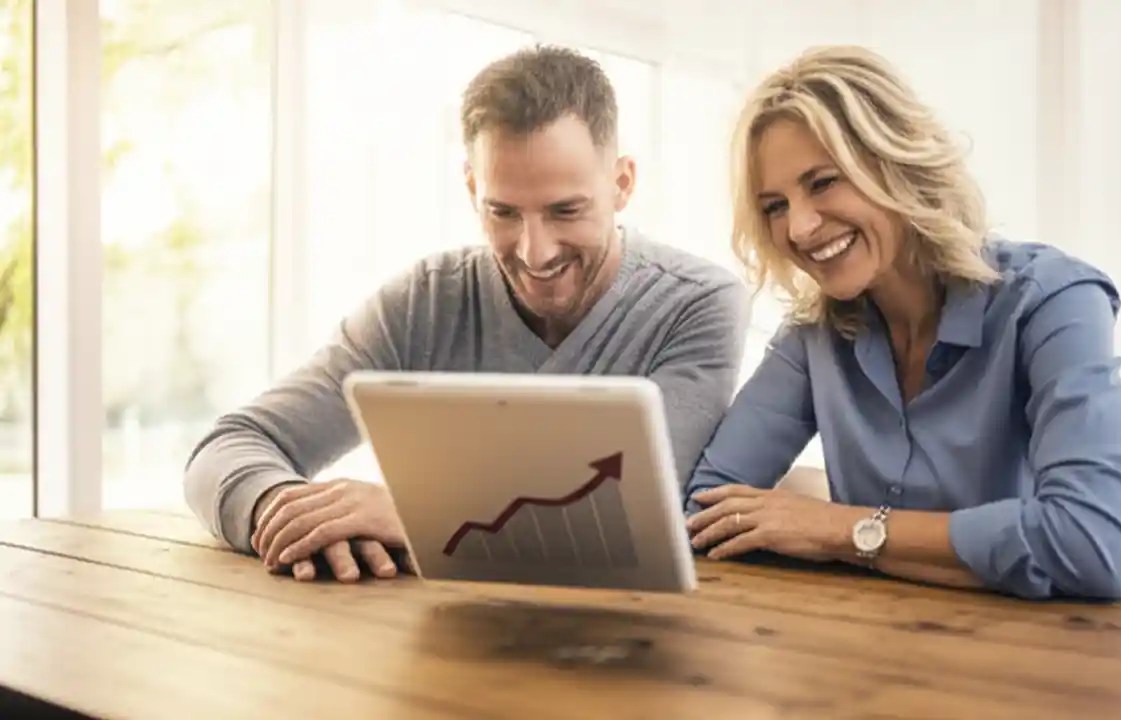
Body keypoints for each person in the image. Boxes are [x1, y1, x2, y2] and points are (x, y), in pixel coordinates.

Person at [185, 46, 748, 583]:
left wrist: (417, 518)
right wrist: (284, 509)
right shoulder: (426, 301)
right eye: (502, 212)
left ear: (621, 183)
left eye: (566, 211)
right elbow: (230, 444)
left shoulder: (698, 303)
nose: (535, 251)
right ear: (472, 187)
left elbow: (641, 512)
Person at [684, 45, 1121, 600]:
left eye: (824, 181)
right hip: (869, 657)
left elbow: (1094, 545)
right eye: (775, 206)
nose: (801, 228)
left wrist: (840, 531)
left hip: (1035, 662)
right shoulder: (813, 338)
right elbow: (704, 510)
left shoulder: (1051, 301)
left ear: (897, 161)